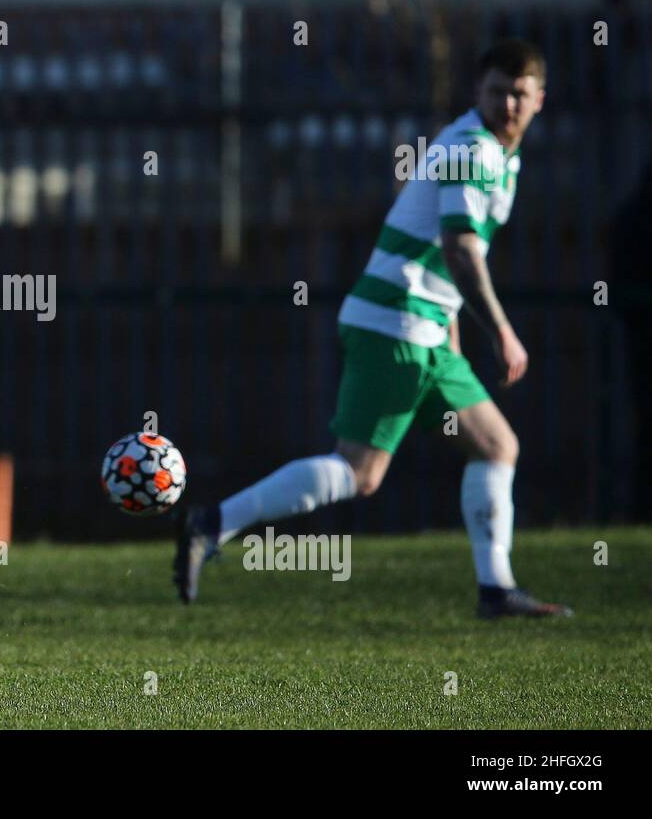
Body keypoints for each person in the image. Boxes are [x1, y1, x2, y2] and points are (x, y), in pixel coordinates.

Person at [174, 38, 572, 619]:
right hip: (398, 322)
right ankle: (212, 523)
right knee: (359, 472)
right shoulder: (470, 149)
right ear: (477, 93)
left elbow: (444, 259)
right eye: (497, 92)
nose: (508, 104)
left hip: (427, 327)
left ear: (540, 99)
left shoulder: (499, 156)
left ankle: (496, 589)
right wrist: (503, 331)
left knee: (495, 445)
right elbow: (460, 251)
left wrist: (453, 334)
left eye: (519, 94)